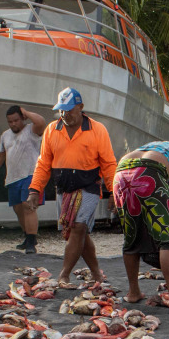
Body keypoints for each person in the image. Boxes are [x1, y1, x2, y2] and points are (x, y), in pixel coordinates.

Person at [28, 87, 117, 284]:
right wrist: (35, 189)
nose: (65, 114)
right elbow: (43, 163)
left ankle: (64, 274)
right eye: (62, 110)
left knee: (78, 227)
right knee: (77, 233)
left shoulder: (97, 129)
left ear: (81, 108)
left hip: (89, 187)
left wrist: (113, 192)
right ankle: (96, 274)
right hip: (64, 188)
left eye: (69, 110)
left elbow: (109, 163)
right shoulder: (52, 129)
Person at [115, 134, 169, 316]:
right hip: (149, 171)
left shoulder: (159, 145)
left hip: (121, 171)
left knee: (132, 234)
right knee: (166, 238)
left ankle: (133, 292)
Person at [0, 105, 47, 254]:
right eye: (10, 122)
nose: (13, 124)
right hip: (13, 177)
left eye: (16, 120)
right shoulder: (5, 135)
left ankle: (31, 242)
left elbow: (42, 122)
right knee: (18, 209)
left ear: (22, 118)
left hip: (31, 173)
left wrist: (27, 112)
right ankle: (27, 236)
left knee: (28, 206)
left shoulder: (32, 130)